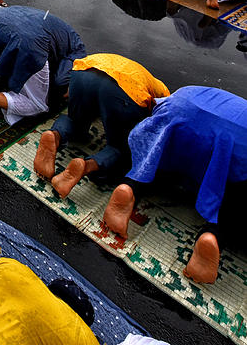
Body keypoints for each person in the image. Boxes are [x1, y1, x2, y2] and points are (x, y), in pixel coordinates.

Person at [102, 87, 246, 284]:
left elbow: (153, 123)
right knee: (237, 195)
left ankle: (130, 187)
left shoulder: (183, 91)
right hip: (236, 140)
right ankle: (213, 234)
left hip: (181, 108)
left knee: (156, 154)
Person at [34, 54, 169, 198]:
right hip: (125, 90)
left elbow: (71, 92)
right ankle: (86, 166)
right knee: (119, 148)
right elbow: (160, 122)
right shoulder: (164, 93)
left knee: (75, 121)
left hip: (85, 71)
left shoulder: (132, 67)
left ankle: (54, 135)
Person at [0, 7, 86, 129]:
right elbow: (61, 82)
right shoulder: (78, 51)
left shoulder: (64, 31)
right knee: (37, 104)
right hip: (31, 41)